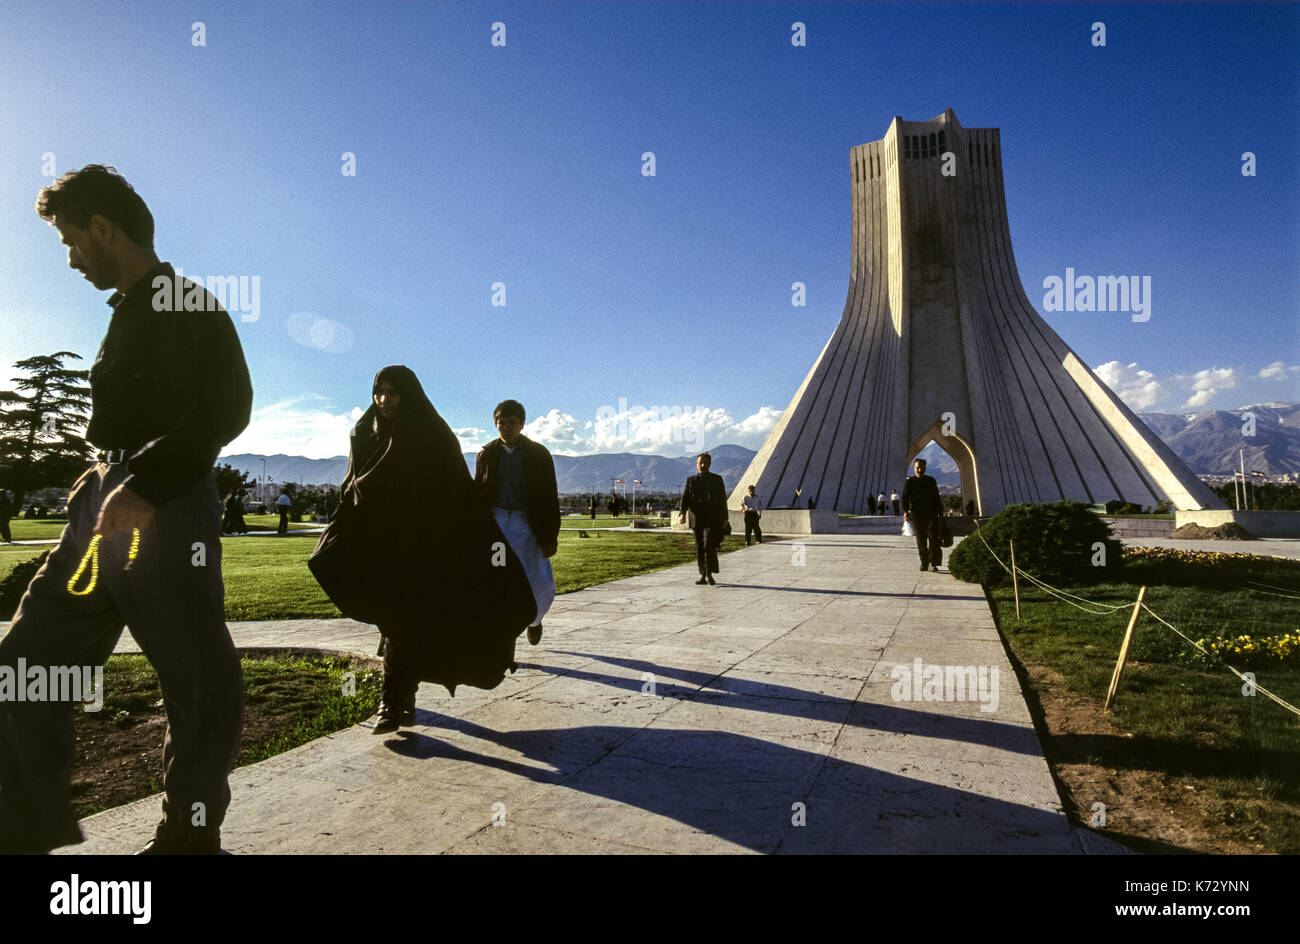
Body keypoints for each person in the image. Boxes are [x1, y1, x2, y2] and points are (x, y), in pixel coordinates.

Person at [0, 165, 252, 855]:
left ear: (106, 228)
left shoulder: (185, 300)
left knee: (196, 678)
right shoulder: (129, 312)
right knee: (25, 658)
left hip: (161, 504)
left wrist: (148, 483)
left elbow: (227, 407)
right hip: (100, 496)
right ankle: (20, 833)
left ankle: (188, 838)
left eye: (72, 242)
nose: (73, 258)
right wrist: (108, 483)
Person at [309, 368, 534, 731]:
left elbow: (456, 492)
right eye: (379, 392)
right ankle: (403, 697)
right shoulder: (365, 433)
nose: (384, 400)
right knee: (396, 621)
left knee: (402, 619)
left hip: (425, 547)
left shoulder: (433, 435)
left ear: (408, 394)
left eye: (392, 392)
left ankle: (391, 702)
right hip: (381, 545)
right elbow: (353, 485)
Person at [475, 399, 560, 647]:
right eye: (501, 422)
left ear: (521, 425)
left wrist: (549, 537)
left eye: (512, 422)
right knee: (496, 574)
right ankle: (500, 628)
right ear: (495, 424)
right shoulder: (487, 454)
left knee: (537, 579)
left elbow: (548, 495)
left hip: (528, 524)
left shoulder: (538, 454)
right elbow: (477, 493)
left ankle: (534, 620)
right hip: (497, 525)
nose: (506, 427)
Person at [678, 453, 727, 585]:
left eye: (706, 463)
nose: (703, 465)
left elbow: (722, 499)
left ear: (710, 464)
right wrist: (682, 513)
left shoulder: (717, 479)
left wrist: (725, 518)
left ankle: (709, 574)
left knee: (708, 545)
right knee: (700, 547)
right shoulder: (691, 480)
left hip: (712, 519)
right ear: (697, 464)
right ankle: (703, 574)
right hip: (696, 519)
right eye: (701, 463)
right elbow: (685, 497)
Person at [902, 458, 944, 572]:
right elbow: (905, 498)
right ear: (914, 468)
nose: (920, 470)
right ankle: (924, 562)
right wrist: (906, 511)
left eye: (922, 467)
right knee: (921, 539)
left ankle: (933, 563)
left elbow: (936, 497)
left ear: (925, 468)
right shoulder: (909, 482)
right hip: (917, 513)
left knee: (933, 538)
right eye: (918, 468)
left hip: (931, 512)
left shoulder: (931, 481)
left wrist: (940, 513)